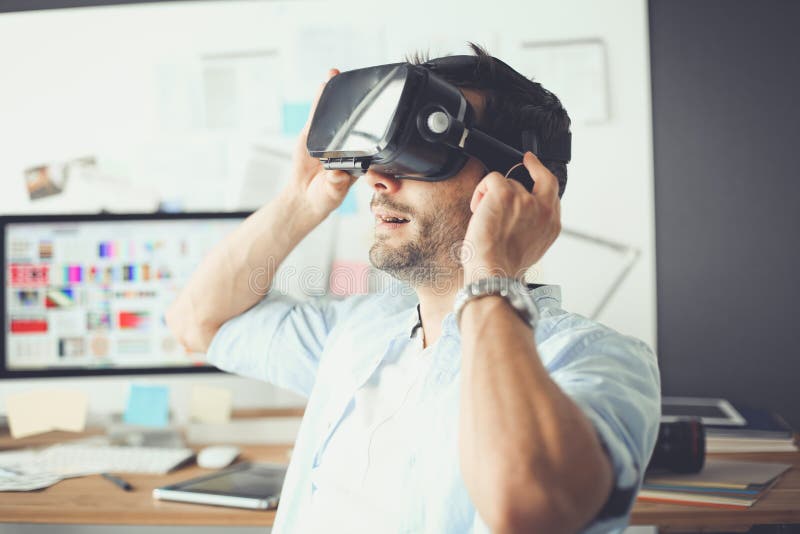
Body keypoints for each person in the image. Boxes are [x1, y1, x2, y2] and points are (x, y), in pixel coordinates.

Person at [167, 45, 661, 534]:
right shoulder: (356, 332)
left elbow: (527, 504)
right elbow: (197, 322)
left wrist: (491, 275)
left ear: (516, 185)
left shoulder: (594, 360)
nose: (377, 180)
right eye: (380, 157)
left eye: (420, 155)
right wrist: (301, 199)